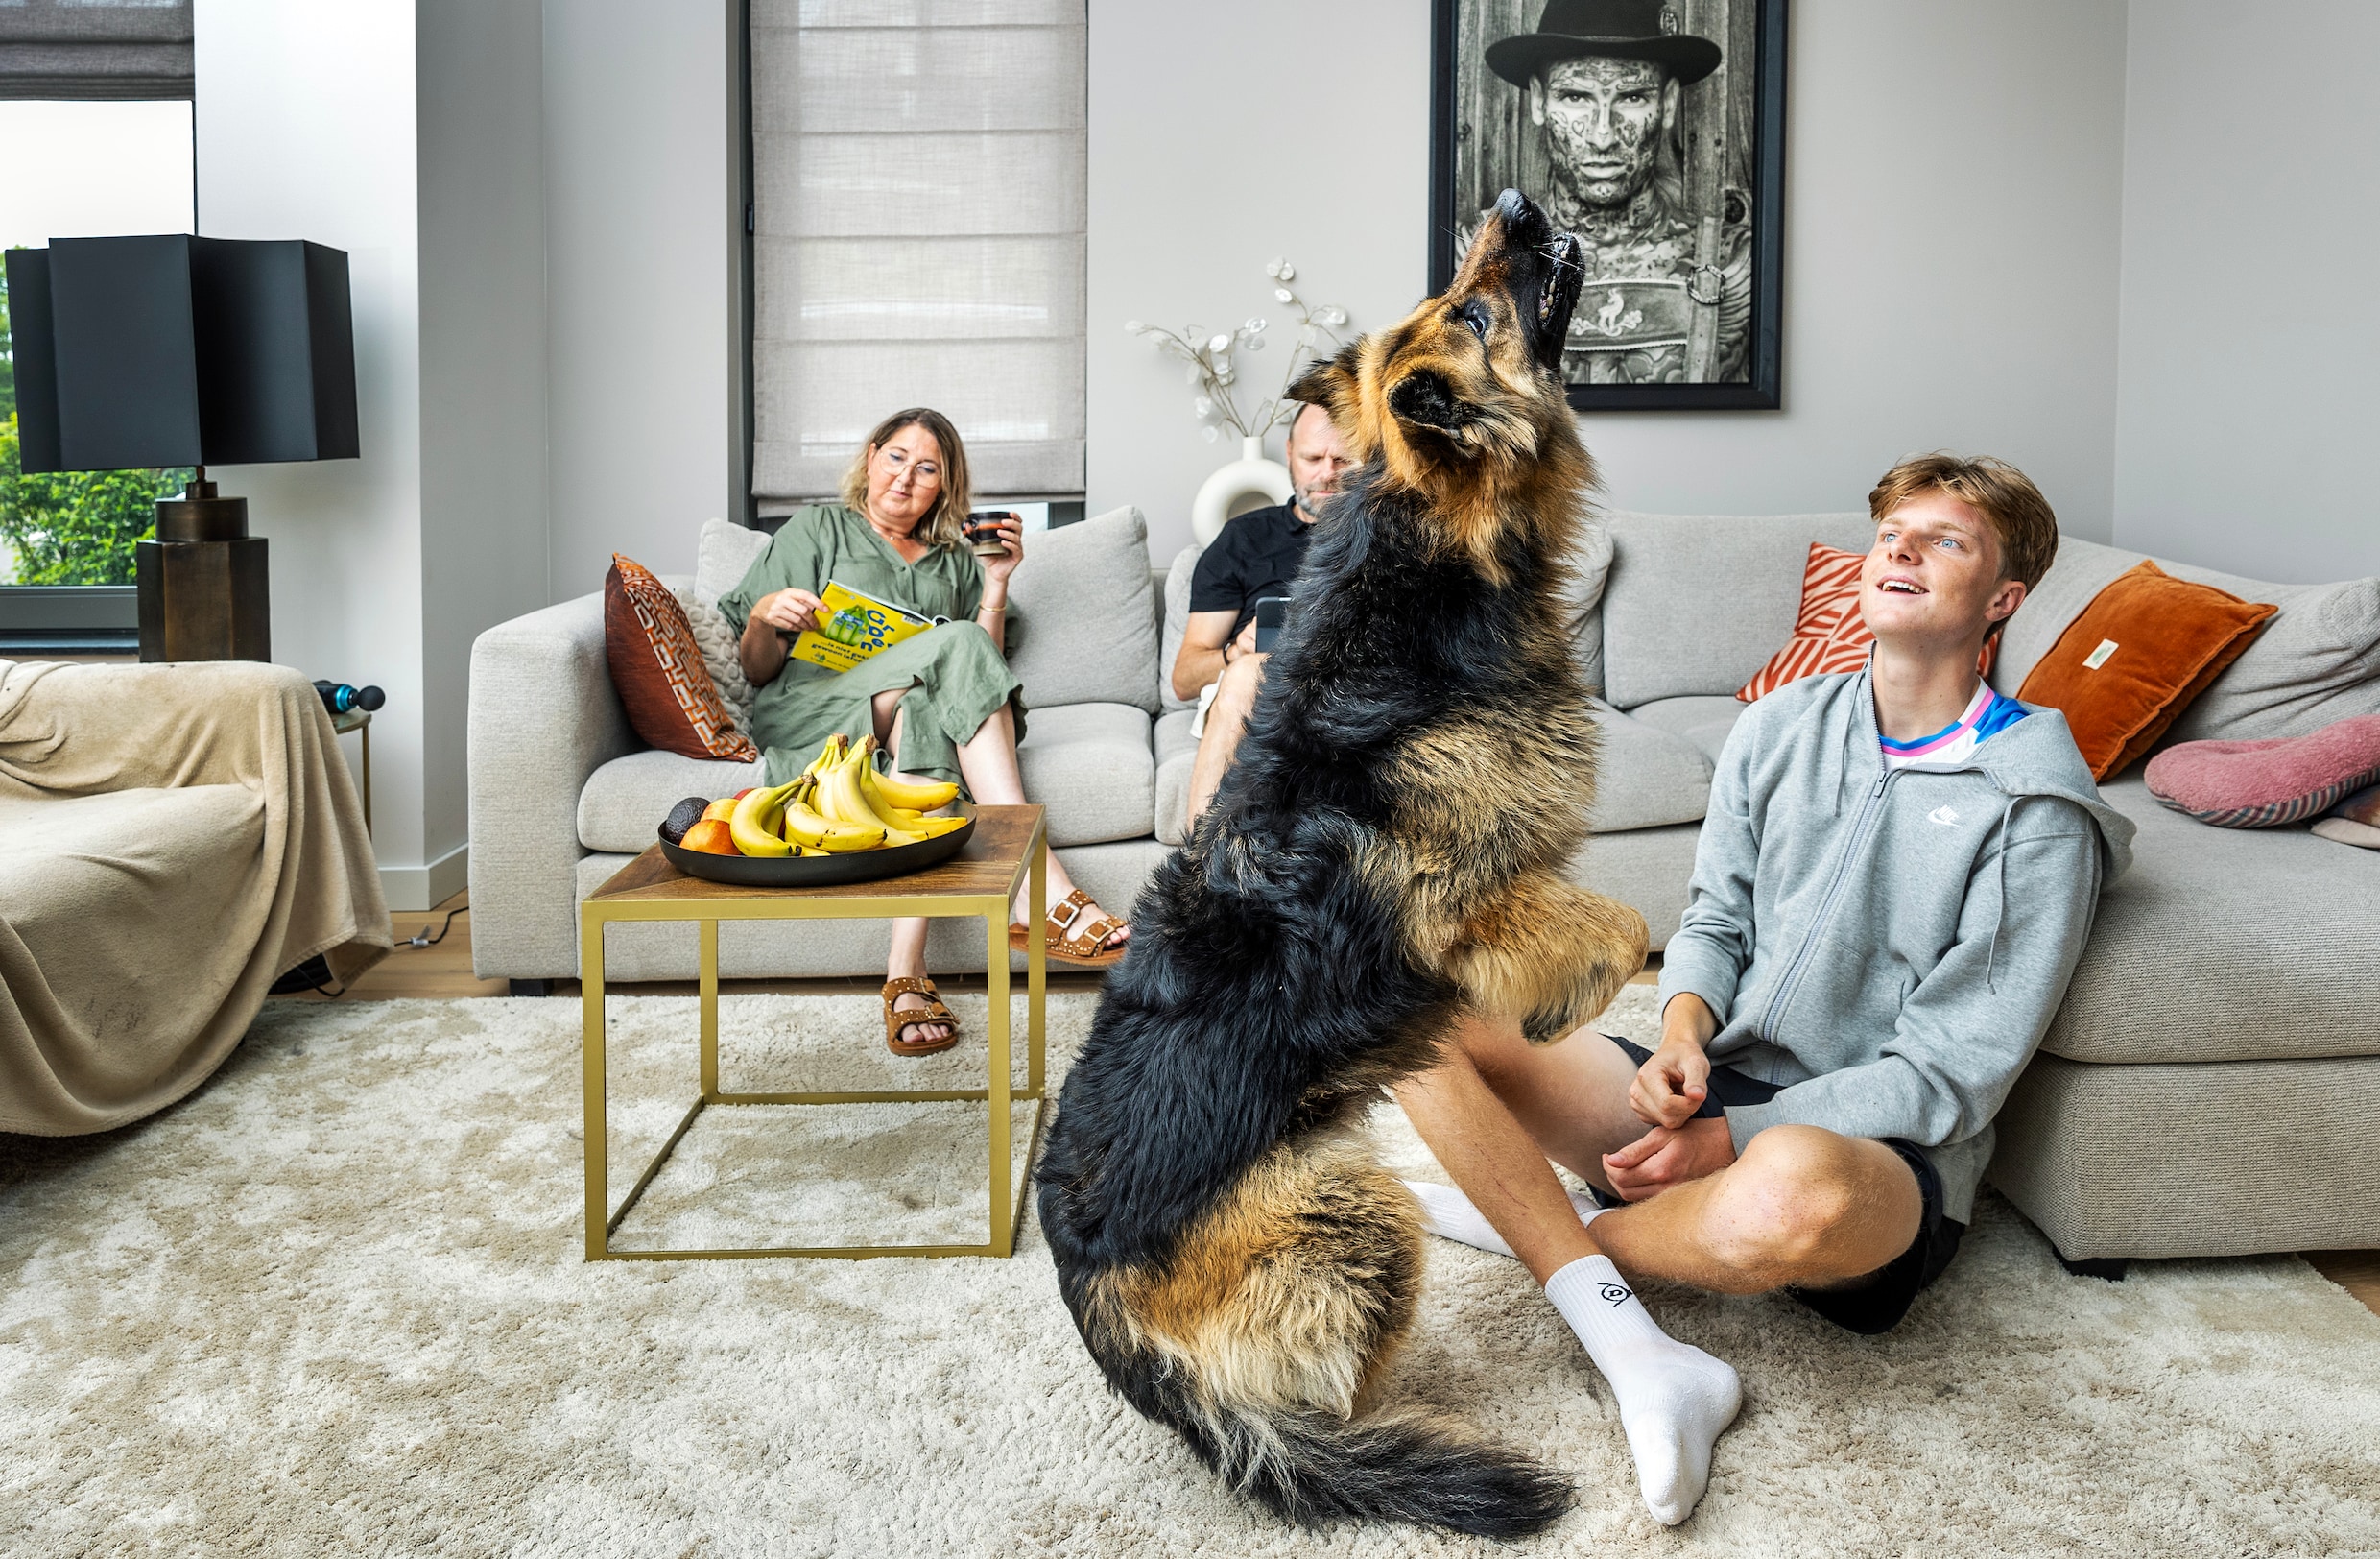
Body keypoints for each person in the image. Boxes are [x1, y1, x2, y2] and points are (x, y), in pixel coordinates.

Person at [1392, 454, 2134, 1525]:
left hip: (1872, 1155)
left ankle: (1536, 1224)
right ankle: (1641, 1350)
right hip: (1720, 1088)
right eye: (1891, 533)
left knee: (1791, 1187)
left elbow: (1948, 1077)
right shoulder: (1781, 725)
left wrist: (1733, 1140)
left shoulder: (2033, 809)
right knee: (1418, 1013)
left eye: (1945, 540)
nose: (1901, 550)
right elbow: (1715, 920)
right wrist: (1683, 1033)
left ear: (2002, 600)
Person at [720, 408, 1131, 1056]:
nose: (905, 478)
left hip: (900, 713)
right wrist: (764, 618)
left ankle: (904, 973)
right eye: (896, 458)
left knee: (928, 711)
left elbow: (980, 666)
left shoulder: (954, 563)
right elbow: (756, 669)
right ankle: (1043, 886)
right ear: (871, 457)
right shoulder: (818, 528)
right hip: (813, 712)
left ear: (945, 486)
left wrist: (995, 583)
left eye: (927, 469)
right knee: (952, 650)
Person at [1472, 0, 1751, 385]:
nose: (1603, 136)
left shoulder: (1734, 262)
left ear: (1668, 103)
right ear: (1539, 100)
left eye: (1632, 97)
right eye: (1576, 97)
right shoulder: (1472, 259)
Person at [1171, 400, 1354, 825]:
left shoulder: (1391, 537)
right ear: (1289, 453)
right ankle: (1198, 857)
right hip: (1254, 692)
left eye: (1342, 460)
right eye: (1313, 458)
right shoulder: (1243, 539)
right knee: (1250, 672)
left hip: (1349, 694)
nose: (1327, 473)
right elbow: (1183, 678)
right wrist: (1236, 652)